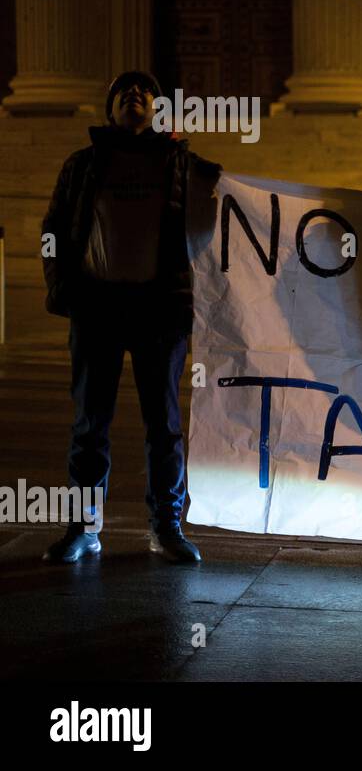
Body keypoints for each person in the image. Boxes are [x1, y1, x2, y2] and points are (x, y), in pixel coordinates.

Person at [40, 71, 218, 564]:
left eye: (144, 92)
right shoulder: (82, 166)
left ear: (159, 110)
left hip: (158, 310)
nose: (134, 96)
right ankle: (83, 529)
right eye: (124, 92)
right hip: (96, 306)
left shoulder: (182, 166)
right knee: (89, 424)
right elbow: (52, 229)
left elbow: (222, 212)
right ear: (109, 109)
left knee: (163, 424)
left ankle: (167, 526)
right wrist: (62, 288)